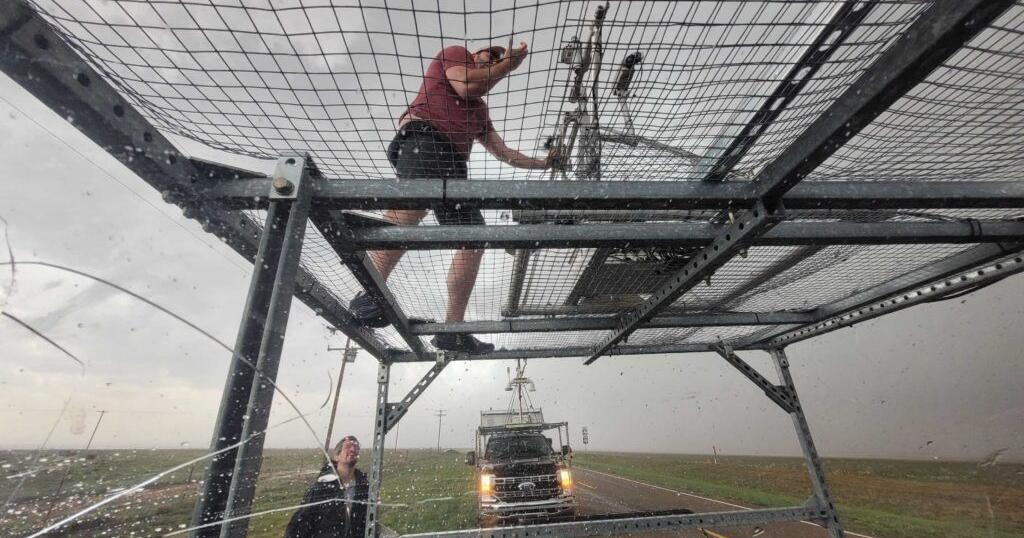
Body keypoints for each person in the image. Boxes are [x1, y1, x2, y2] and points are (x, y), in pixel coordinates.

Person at [349, 41, 558, 354]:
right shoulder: (456, 54)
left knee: (472, 238)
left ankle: (452, 331)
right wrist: (508, 65)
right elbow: (464, 85)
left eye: (499, 59)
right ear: (476, 55)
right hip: (425, 138)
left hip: (453, 164)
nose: (494, 61)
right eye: (490, 56)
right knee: (409, 211)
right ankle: (367, 294)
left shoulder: (480, 112)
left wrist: (544, 163)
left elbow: (504, 153)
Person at [285, 436, 368, 538]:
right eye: (348, 446)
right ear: (337, 456)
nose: (353, 449)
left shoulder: (364, 487)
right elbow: (300, 523)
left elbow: (368, 522)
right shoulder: (322, 487)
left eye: (356, 447)